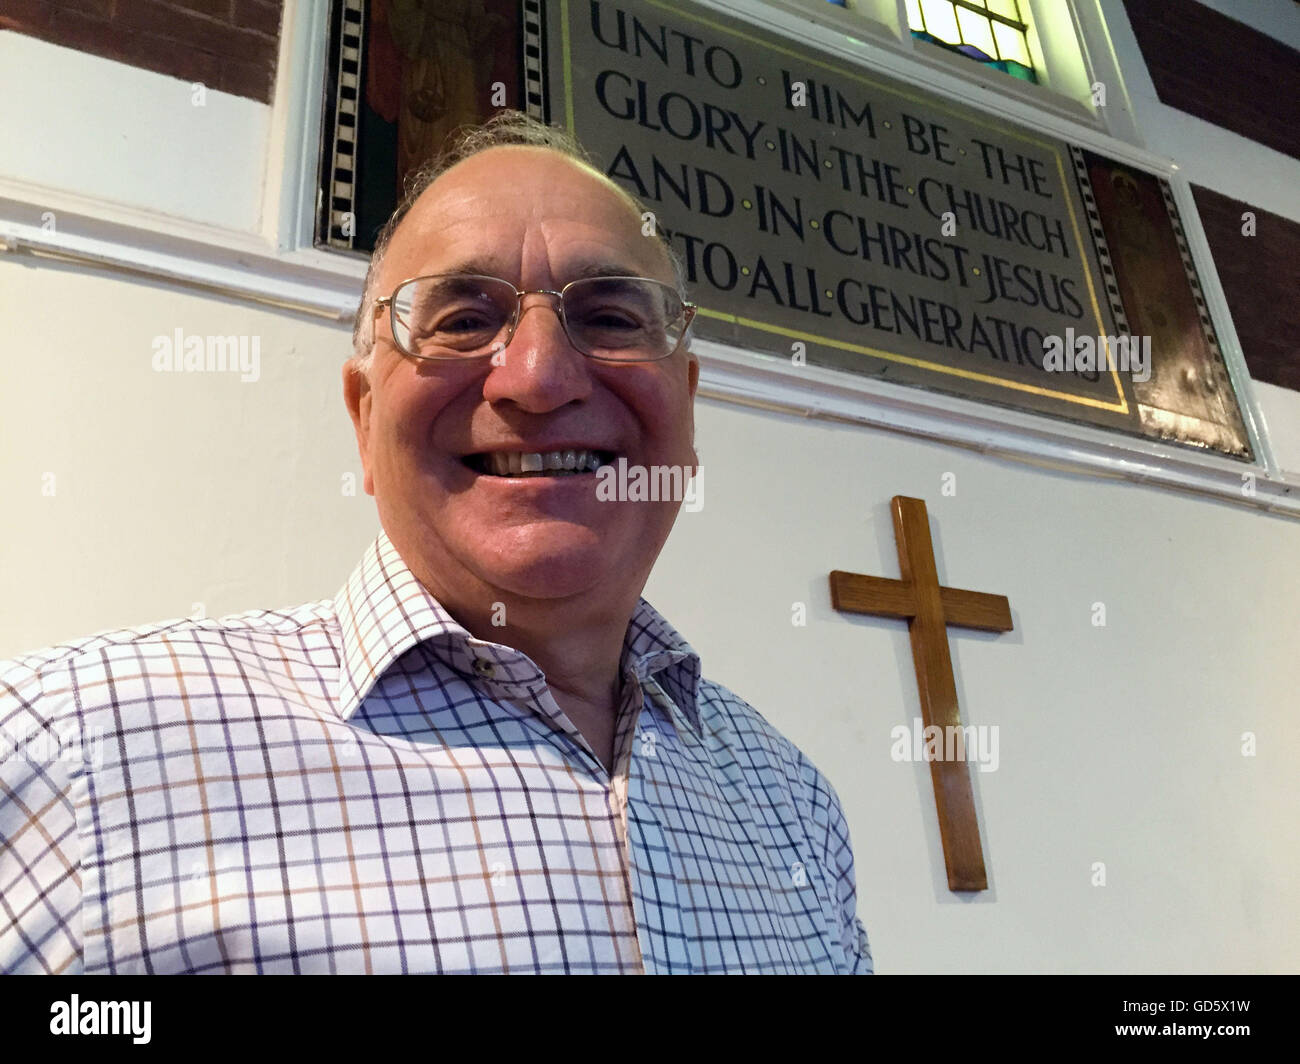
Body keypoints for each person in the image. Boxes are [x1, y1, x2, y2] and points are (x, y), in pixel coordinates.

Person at [0, 110, 872, 974]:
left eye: (610, 317)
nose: (538, 376)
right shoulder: (69, 754)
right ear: (364, 412)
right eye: (461, 318)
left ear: (684, 406)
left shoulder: (789, 800)